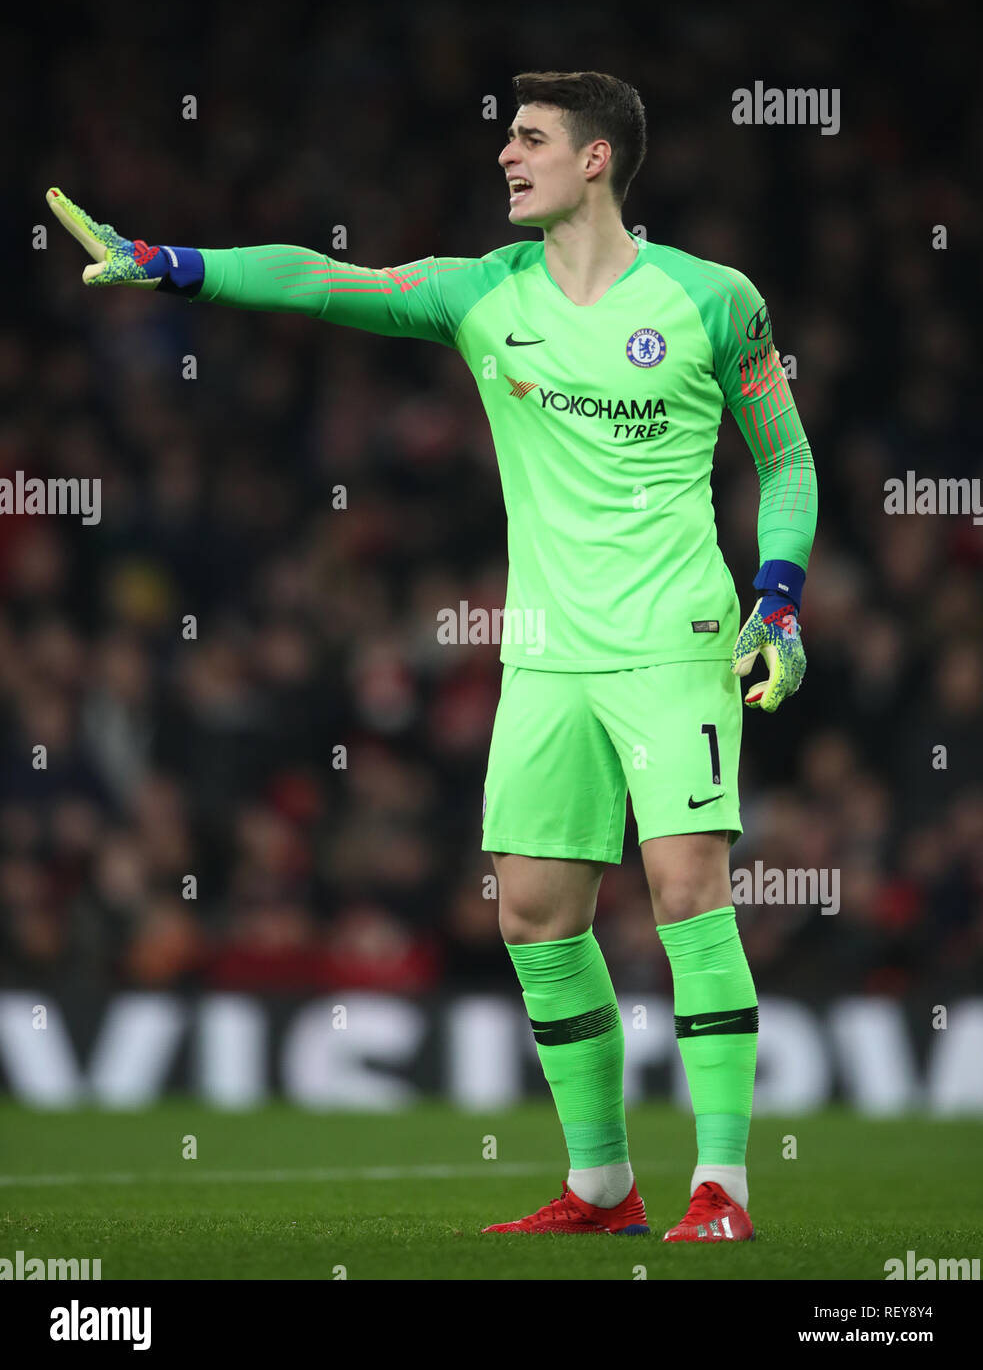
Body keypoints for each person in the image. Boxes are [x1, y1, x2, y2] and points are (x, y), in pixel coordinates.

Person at [46, 68, 817, 1241]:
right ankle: (601, 1186)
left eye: (529, 139)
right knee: (534, 916)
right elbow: (325, 280)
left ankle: (722, 1186)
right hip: (544, 654)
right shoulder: (481, 291)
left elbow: (786, 459)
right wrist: (174, 263)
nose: (505, 155)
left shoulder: (713, 299)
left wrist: (780, 599)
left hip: (676, 639)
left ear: (595, 159)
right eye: (506, 138)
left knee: (684, 891)